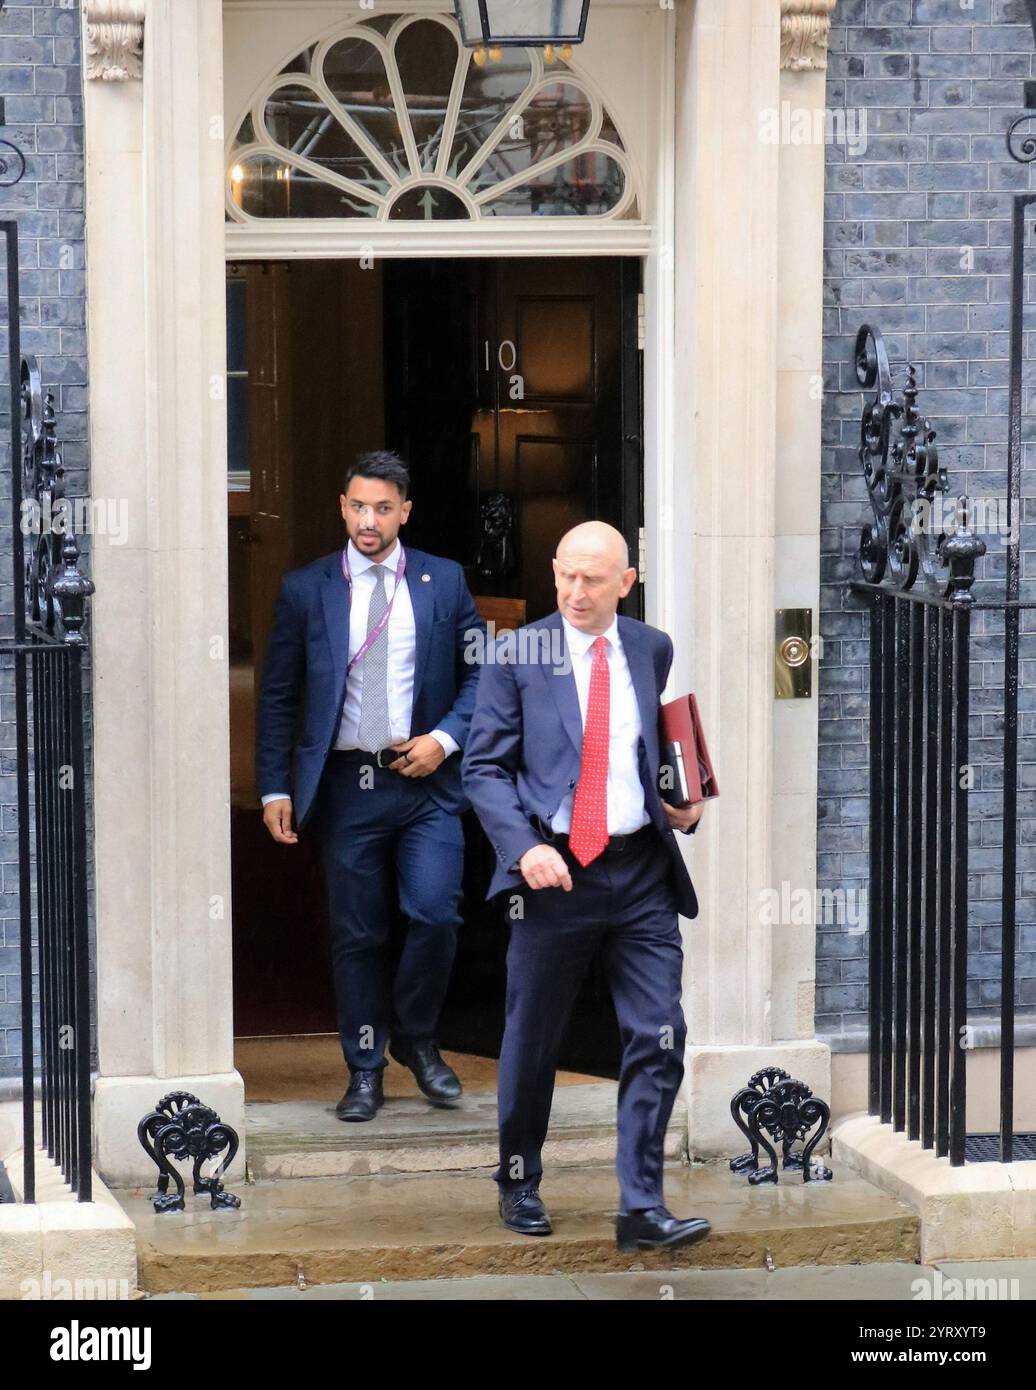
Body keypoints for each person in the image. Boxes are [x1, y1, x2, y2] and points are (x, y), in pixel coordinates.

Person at [461, 521, 710, 1253]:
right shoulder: (517, 654)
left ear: (625, 584)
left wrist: (681, 801)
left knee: (660, 1031)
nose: (574, 591)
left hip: (639, 873)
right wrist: (524, 847)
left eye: (592, 579)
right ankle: (519, 1179)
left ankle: (640, 1205)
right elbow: (483, 768)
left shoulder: (648, 647)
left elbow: (647, 745)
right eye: (565, 575)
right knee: (533, 1037)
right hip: (554, 873)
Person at [257, 451, 485, 1121]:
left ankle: (416, 1040)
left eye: (382, 507)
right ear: (342, 506)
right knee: (357, 934)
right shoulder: (308, 589)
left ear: (405, 512)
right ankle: (363, 1068)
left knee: (436, 914)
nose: (368, 519)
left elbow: (482, 675)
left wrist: (443, 739)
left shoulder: (444, 582)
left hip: (426, 784)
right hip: (346, 785)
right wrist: (274, 787)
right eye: (358, 505)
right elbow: (277, 696)